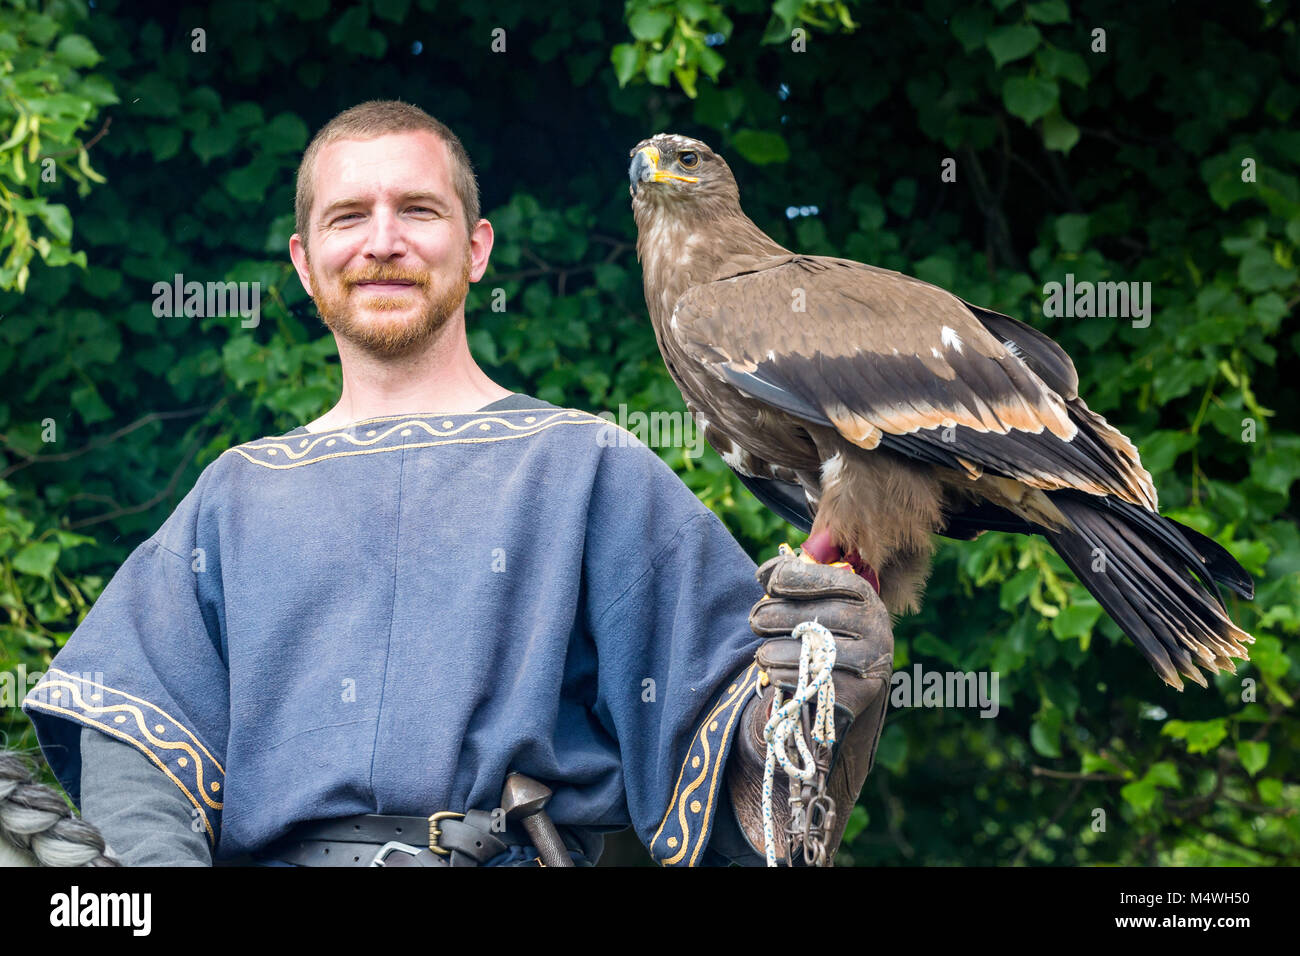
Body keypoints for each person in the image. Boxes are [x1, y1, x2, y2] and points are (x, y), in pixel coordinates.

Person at [22, 100, 892, 867]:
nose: (383, 242)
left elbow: (732, 764)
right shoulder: (235, 495)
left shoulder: (587, 466)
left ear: (476, 249)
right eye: (348, 217)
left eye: (418, 210)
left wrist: (811, 694)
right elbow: (137, 750)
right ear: (304, 261)